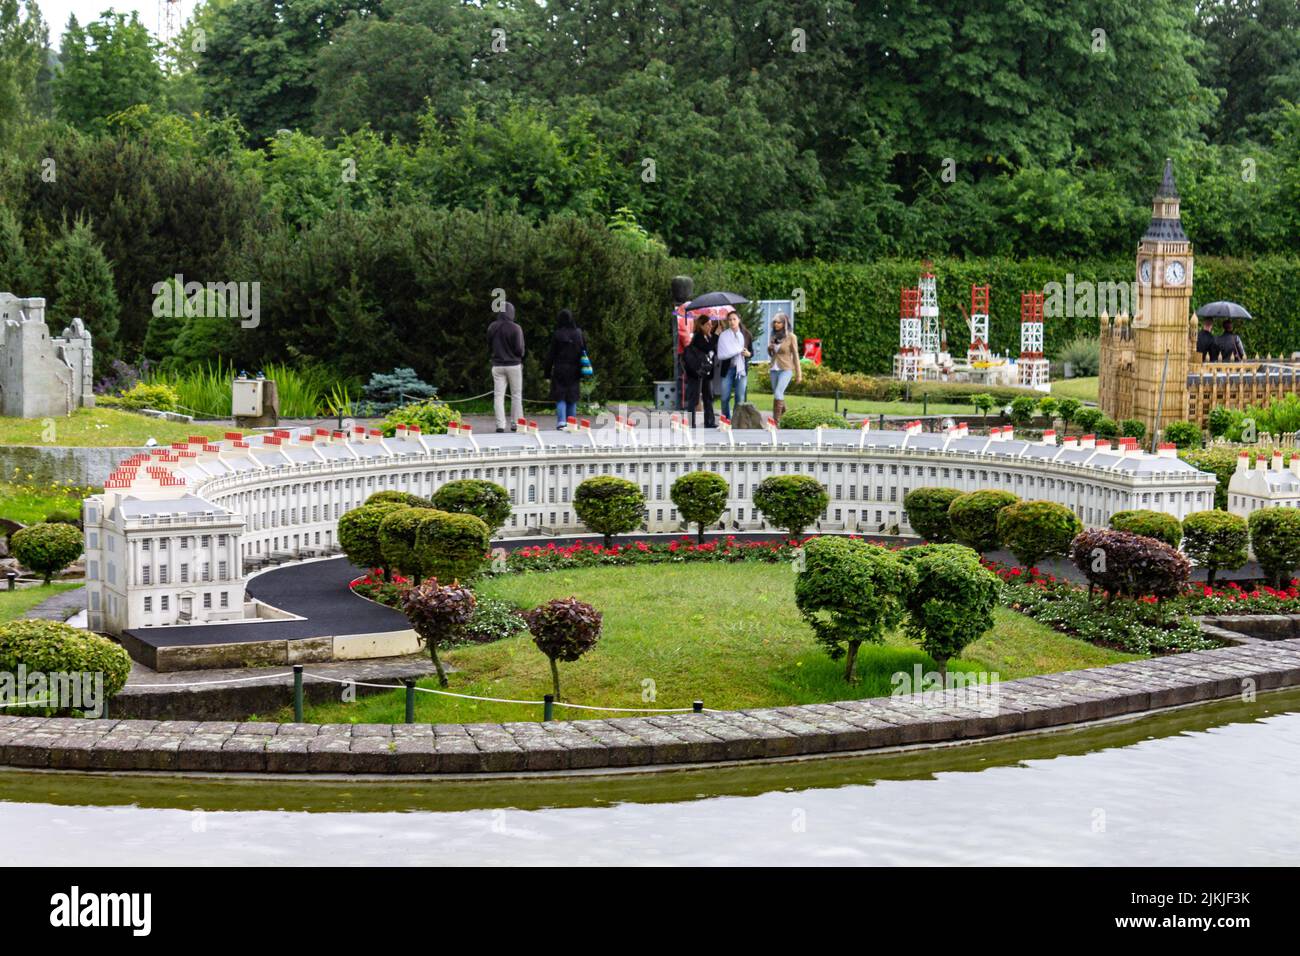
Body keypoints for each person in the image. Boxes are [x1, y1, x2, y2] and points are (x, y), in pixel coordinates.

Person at [544, 309, 586, 430]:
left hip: (560, 369)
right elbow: (584, 351)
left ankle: (561, 422)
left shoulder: (557, 334)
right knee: (572, 396)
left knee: (560, 396)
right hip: (575, 369)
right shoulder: (578, 333)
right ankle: (572, 422)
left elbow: (550, 355)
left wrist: (547, 373)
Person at [487, 301, 525, 432]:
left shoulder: (492, 327)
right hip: (514, 365)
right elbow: (520, 349)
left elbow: (489, 345)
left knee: (498, 396)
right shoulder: (516, 328)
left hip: (497, 365)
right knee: (516, 395)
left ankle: (500, 425)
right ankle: (516, 423)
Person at [766, 312, 802, 424]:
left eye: (779, 322)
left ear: (784, 323)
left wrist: (799, 374)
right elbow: (772, 354)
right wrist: (770, 348)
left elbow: (795, 355)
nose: (776, 324)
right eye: (775, 322)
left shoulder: (791, 337)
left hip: (786, 369)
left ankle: (776, 422)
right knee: (778, 394)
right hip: (774, 369)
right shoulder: (773, 336)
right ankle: (787, 418)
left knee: (778, 393)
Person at [682, 314, 716, 428]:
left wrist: (713, 336)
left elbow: (712, 348)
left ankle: (709, 421)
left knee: (708, 397)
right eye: (708, 325)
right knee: (694, 398)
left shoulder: (708, 336)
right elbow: (707, 348)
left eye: (711, 325)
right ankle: (691, 423)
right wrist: (716, 335)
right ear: (701, 326)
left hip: (706, 372)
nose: (710, 327)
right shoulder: (698, 337)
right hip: (696, 372)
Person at [717, 311, 751, 419]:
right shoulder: (724, 335)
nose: (732, 322)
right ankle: (726, 419)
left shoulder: (746, 334)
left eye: (734, 319)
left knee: (740, 397)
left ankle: (736, 421)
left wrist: (748, 354)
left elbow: (752, 352)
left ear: (739, 320)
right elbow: (721, 353)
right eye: (730, 320)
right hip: (728, 369)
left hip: (741, 370)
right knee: (724, 397)